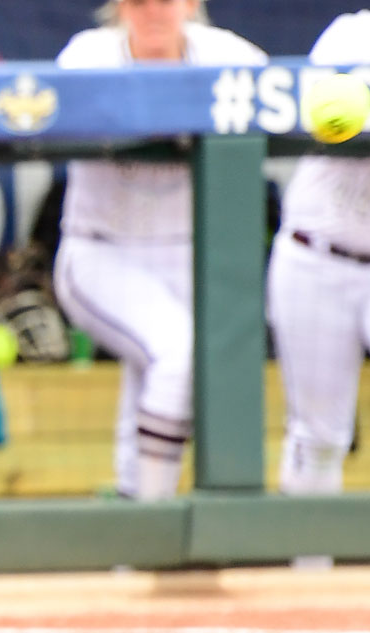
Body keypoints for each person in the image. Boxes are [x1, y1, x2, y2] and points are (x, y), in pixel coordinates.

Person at [54, 0, 265, 501]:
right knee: (176, 356)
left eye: (165, 0)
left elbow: (290, 103)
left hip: (187, 255)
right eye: (139, 1)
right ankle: (153, 520)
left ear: (190, 5)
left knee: (156, 381)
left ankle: (133, 536)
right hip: (102, 252)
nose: (153, 12)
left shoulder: (229, 55)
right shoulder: (88, 57)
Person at [269, 1, 370, 506]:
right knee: (317, 438)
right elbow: (323, 116)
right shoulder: (350, 38)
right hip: (316, 258)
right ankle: (308, 580)